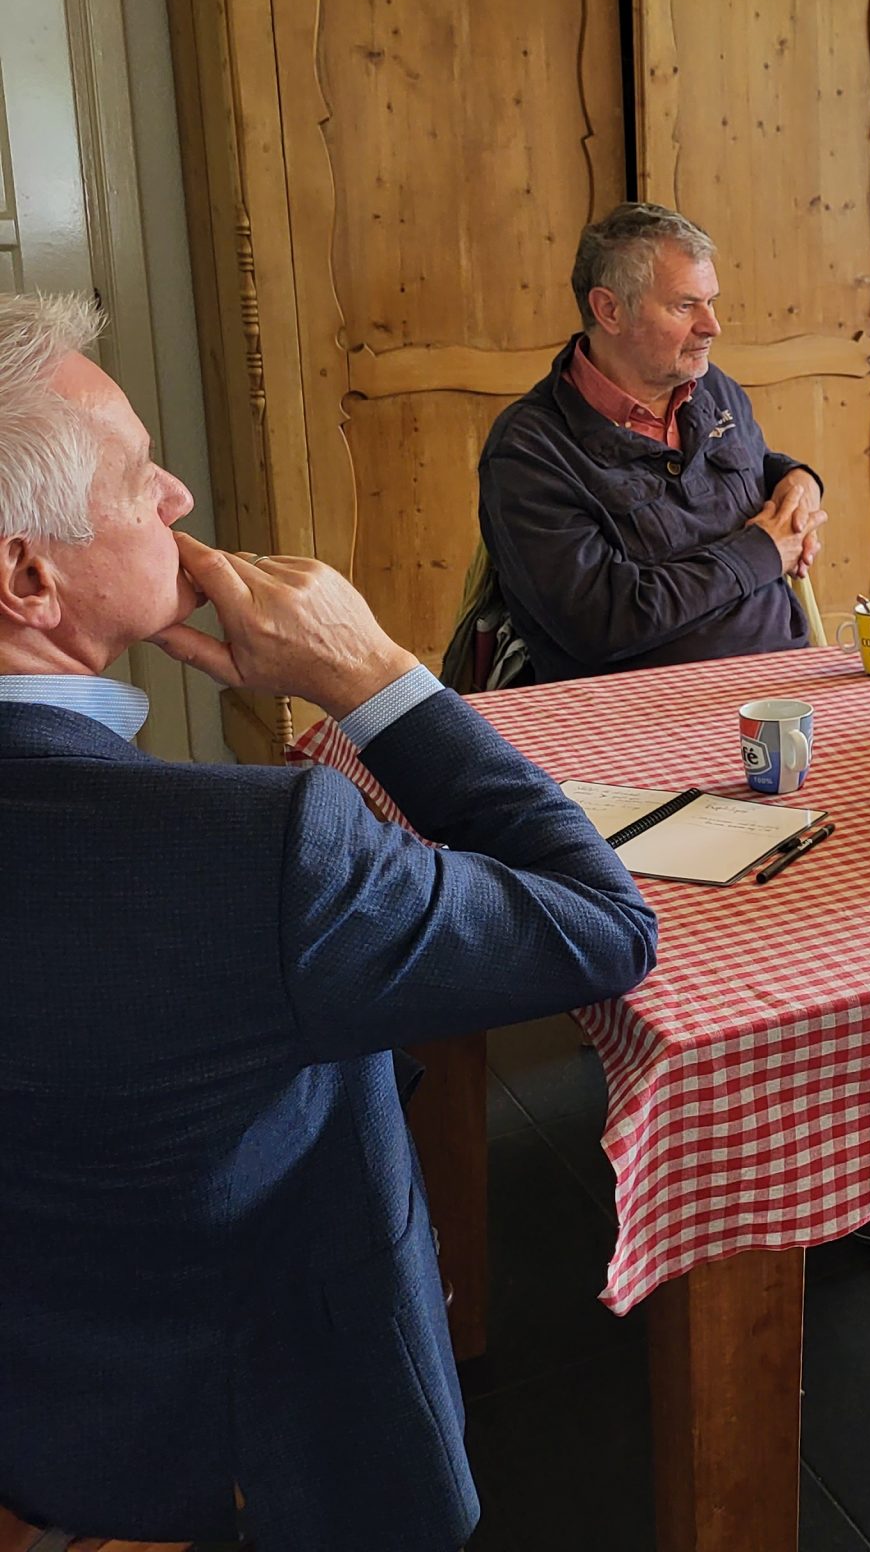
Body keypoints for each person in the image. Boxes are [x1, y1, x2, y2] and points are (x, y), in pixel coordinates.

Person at [0, 293, 657, 1550]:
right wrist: (373, 674)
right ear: (28, 575)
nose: (179, 496)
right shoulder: (259, 857)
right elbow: (600, 926)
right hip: (257, 1442)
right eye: (137, 476)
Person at [478, 201, 827, 684]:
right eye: (686, 306)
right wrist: (761, 553)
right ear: (610, 310)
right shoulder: (529, 451)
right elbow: (602, 620)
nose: (712, 326)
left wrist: (799, 481)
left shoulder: (712, 388)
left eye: (712, 301)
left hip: (785, 682)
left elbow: (753, 466)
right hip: (637, 717)